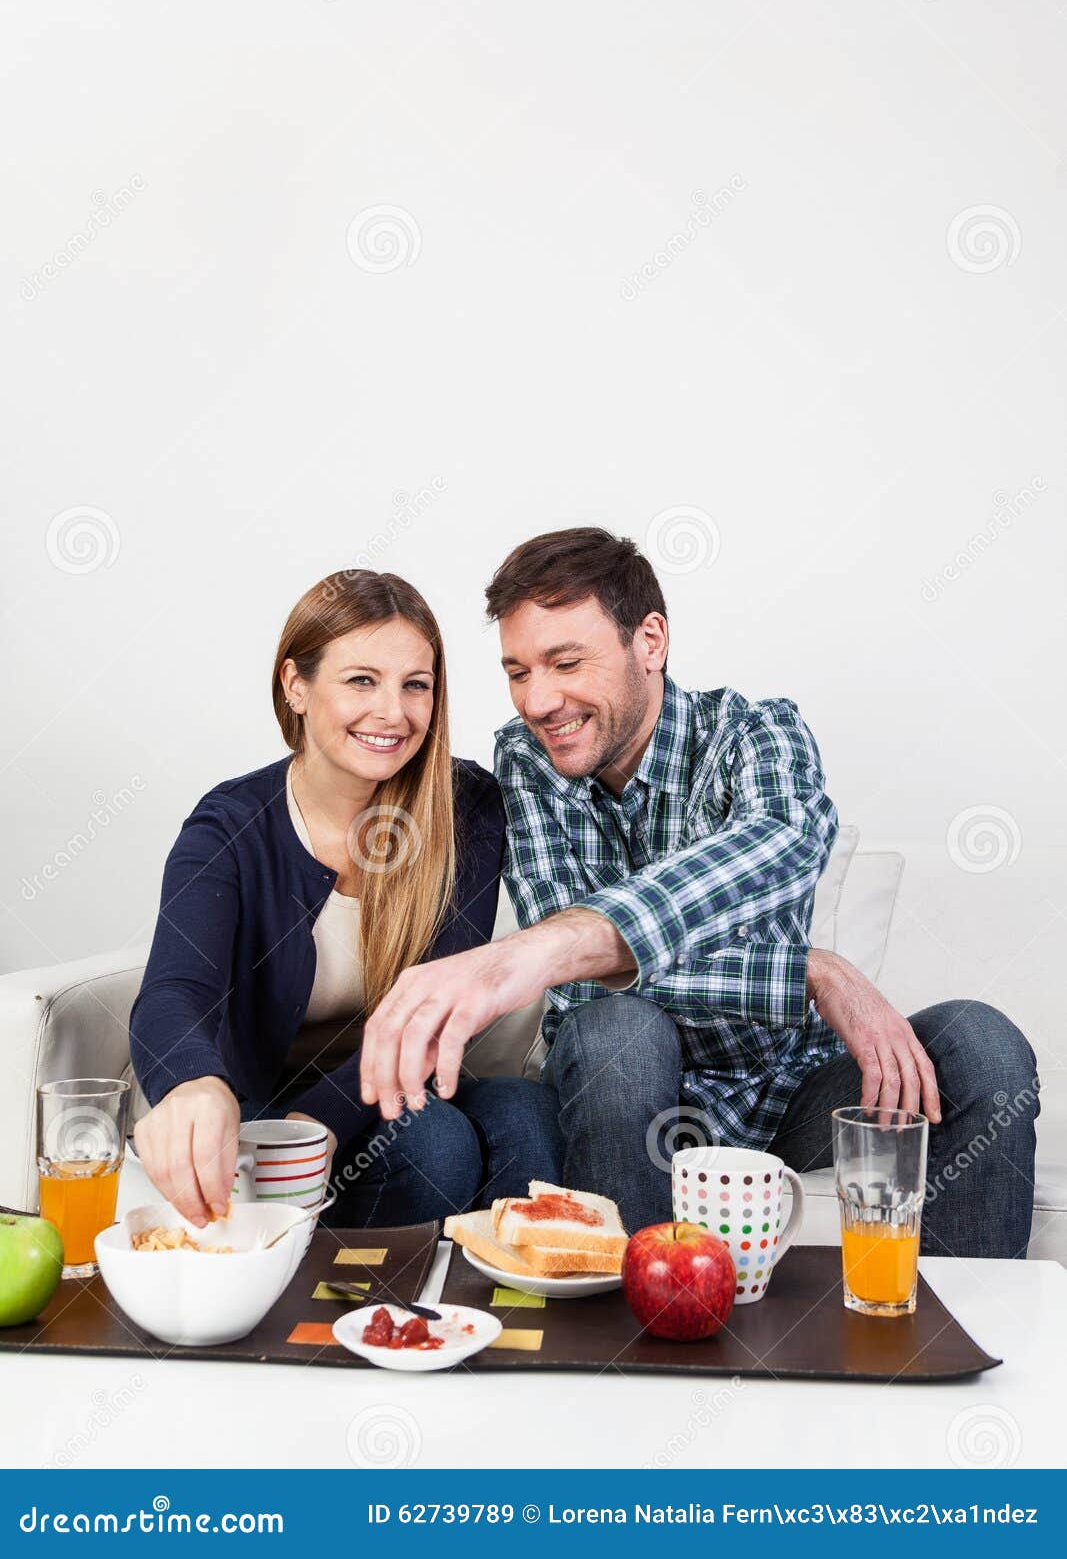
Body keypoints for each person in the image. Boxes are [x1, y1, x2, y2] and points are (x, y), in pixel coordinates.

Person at [358, 528, 1039, 1258]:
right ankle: (632, 1337)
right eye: (518, 671)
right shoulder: (525, 760)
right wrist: (806, 973)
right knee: (619, 1027)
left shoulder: (758, 734)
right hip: (617, 1091)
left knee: (981, 1042)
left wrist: (566, 947)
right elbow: (584, 992)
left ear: (649, 641)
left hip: (786, 1088)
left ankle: (947, 1339)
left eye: (564, 662)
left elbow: (775, 847)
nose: (539, 699)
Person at [129, 569, 562, 1229]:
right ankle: (352, 1312)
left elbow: (436, 1015)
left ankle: (506, 1310)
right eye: (362, 680)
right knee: (435, 1145)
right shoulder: (233, 824)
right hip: (258, 1102)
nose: (393, 712)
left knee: (523, 1111)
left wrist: (320, 1125)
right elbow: (172, 990)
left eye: (414, 685)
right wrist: (195, 1086)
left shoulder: (464, 808)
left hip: (387, 1090)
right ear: (295, 685)